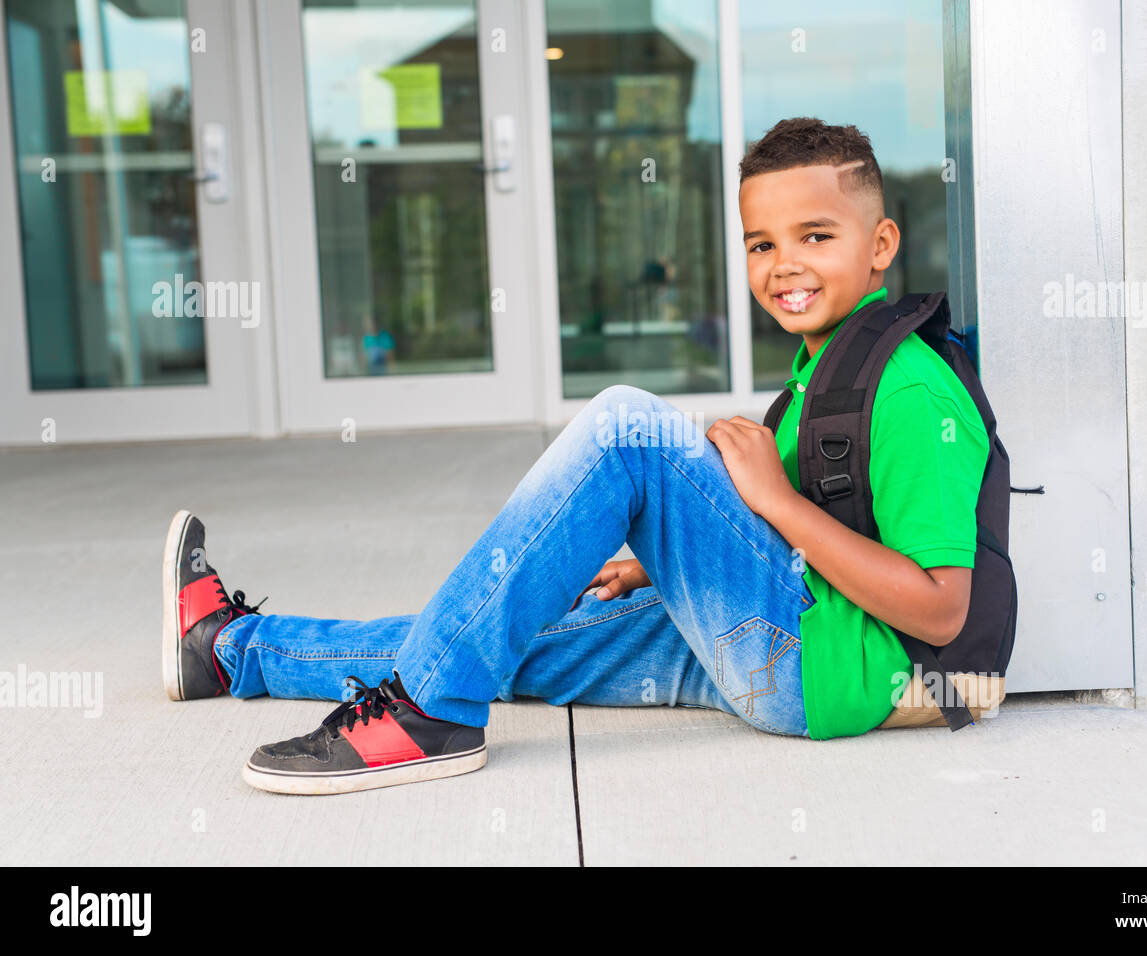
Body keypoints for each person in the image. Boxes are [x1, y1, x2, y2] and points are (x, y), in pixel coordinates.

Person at [161, 117, 988, 795]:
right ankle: (230, 649)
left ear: (880, 244)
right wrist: (666, 557)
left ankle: (423, 717)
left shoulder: (911, 391)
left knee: (627, 425)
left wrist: (775, 502)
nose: (784, 266)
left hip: (818, 667)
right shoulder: (832, 360)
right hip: (796, 627)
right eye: (761, 244)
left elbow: (940, 609)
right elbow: (816, 529)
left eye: (814, 235)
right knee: (492, 636)